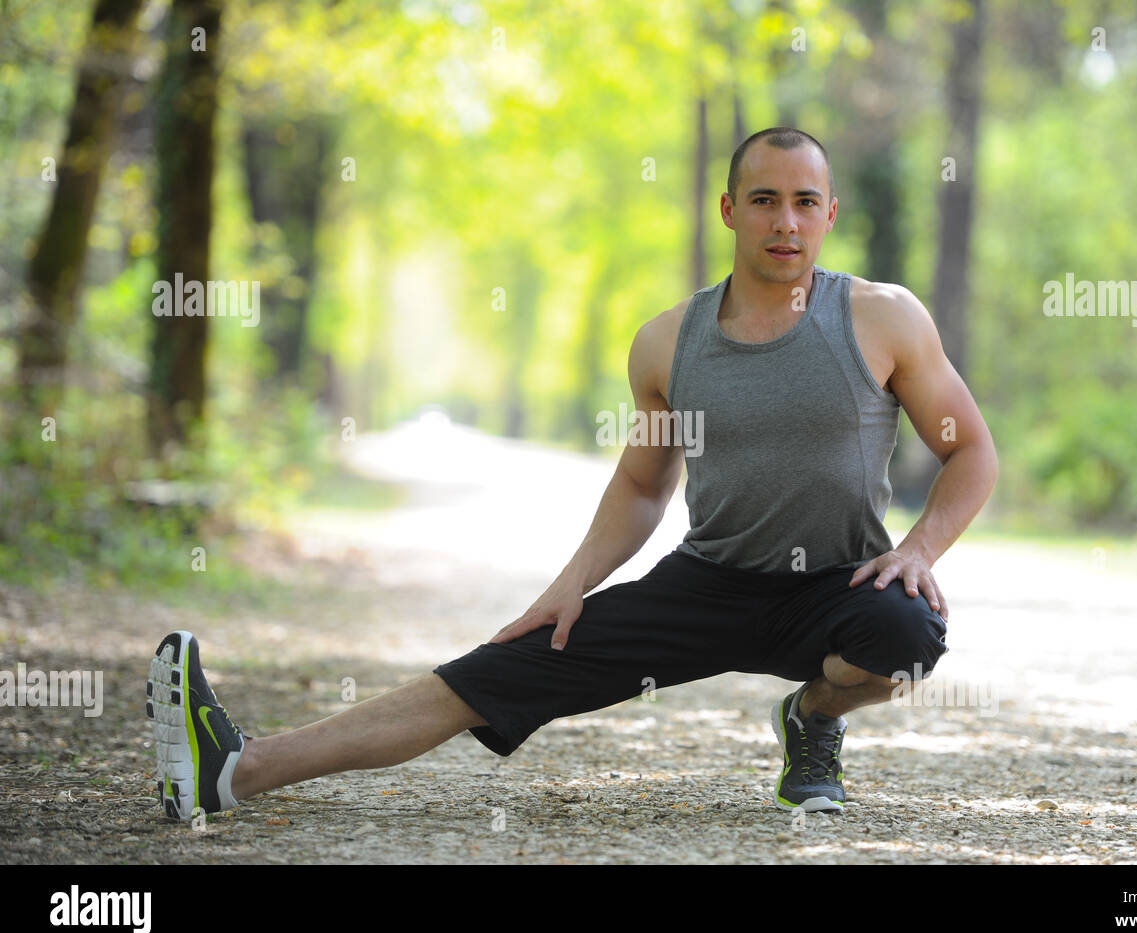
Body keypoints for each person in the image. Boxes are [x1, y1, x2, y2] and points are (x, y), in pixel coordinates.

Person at [145, 127, 998, 823]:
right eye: (766, 200)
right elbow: (640, 486)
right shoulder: (669, 341)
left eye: (804, 202)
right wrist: (570, 585)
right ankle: (234, 769)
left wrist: (920, 547)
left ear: (830, 215)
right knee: (493, 671)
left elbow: (971, 450)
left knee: (906, 629)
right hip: (708, 584)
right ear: (731, 209)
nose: (785, 221)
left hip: (836, 588)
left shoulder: (883, 318)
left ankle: (813, 718)